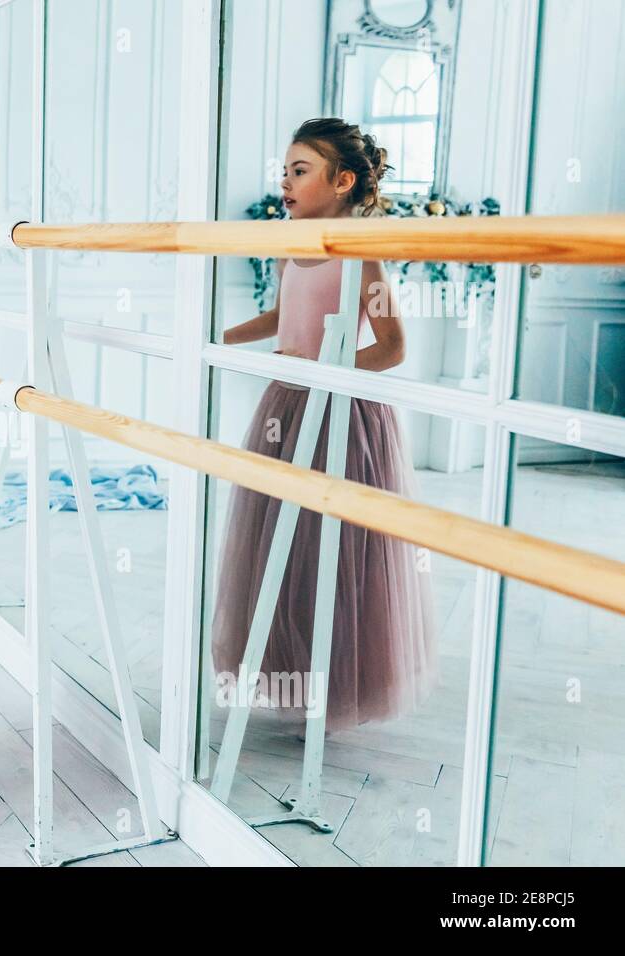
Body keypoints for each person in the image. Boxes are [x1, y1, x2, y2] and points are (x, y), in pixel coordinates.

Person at [214, 118, 438, 736]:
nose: (285, 182)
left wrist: (328, 370)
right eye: (284, 170)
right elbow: (281, 315)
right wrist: (216, 338)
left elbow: (391, 346)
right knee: (278, 542)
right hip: (286, 405)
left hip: (341, 410)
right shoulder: (291, 244)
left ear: (342, 183)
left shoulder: (362, 256)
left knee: (331, 546)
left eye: (300, 171)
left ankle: (340, 681)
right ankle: (289, 670)